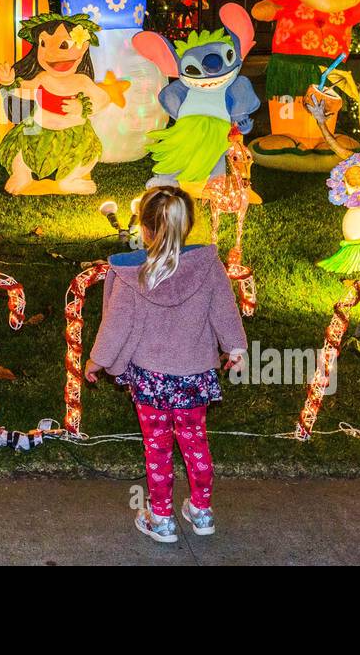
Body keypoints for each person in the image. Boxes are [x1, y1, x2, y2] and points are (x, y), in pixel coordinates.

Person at [85, 186, 247, 543]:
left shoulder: (134, 274)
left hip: (151, 379)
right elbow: (225, 308)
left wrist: (97, 361)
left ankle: (161, 519)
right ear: (187, 226)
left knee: (157, 448)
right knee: (195, 442)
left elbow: (116, 325)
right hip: (195, 376)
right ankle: (202, 511)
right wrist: (235, 348)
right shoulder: (207, 265)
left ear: (144, 229)